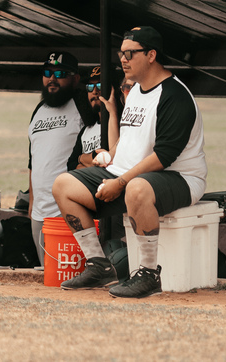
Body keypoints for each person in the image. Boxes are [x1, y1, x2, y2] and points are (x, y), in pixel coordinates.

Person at [52, 26, 207, 298]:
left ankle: (148, 275)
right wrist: (110, 159)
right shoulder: (135, 91)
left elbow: (163, 157)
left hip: (179, 178)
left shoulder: (175, 95)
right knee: (63, 184)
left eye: (129, 53)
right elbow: (131, 143)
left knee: (136, 187)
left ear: (151, 55)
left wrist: (120, 182)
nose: (122, 59)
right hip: (127, 176)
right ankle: (99, 266)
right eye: (121, 53)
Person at [27, 52, 93, 265]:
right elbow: (33, 158)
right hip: (39, 211)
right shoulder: (40, 108)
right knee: (48, 273)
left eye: (60, 74)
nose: (52, 79)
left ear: (75, 79)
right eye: (47, 73)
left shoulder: (83, 104)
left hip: (70, 206)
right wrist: (31, 202)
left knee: (71, 273)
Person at [68, 67, 129, 169]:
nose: (95, 91)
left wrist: (83, 158)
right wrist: (85, 160)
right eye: (90, 87)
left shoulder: (124, 123)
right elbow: (71, 165)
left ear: (114, 89)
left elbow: (111, 160)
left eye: (100, 86)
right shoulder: (86, 130)